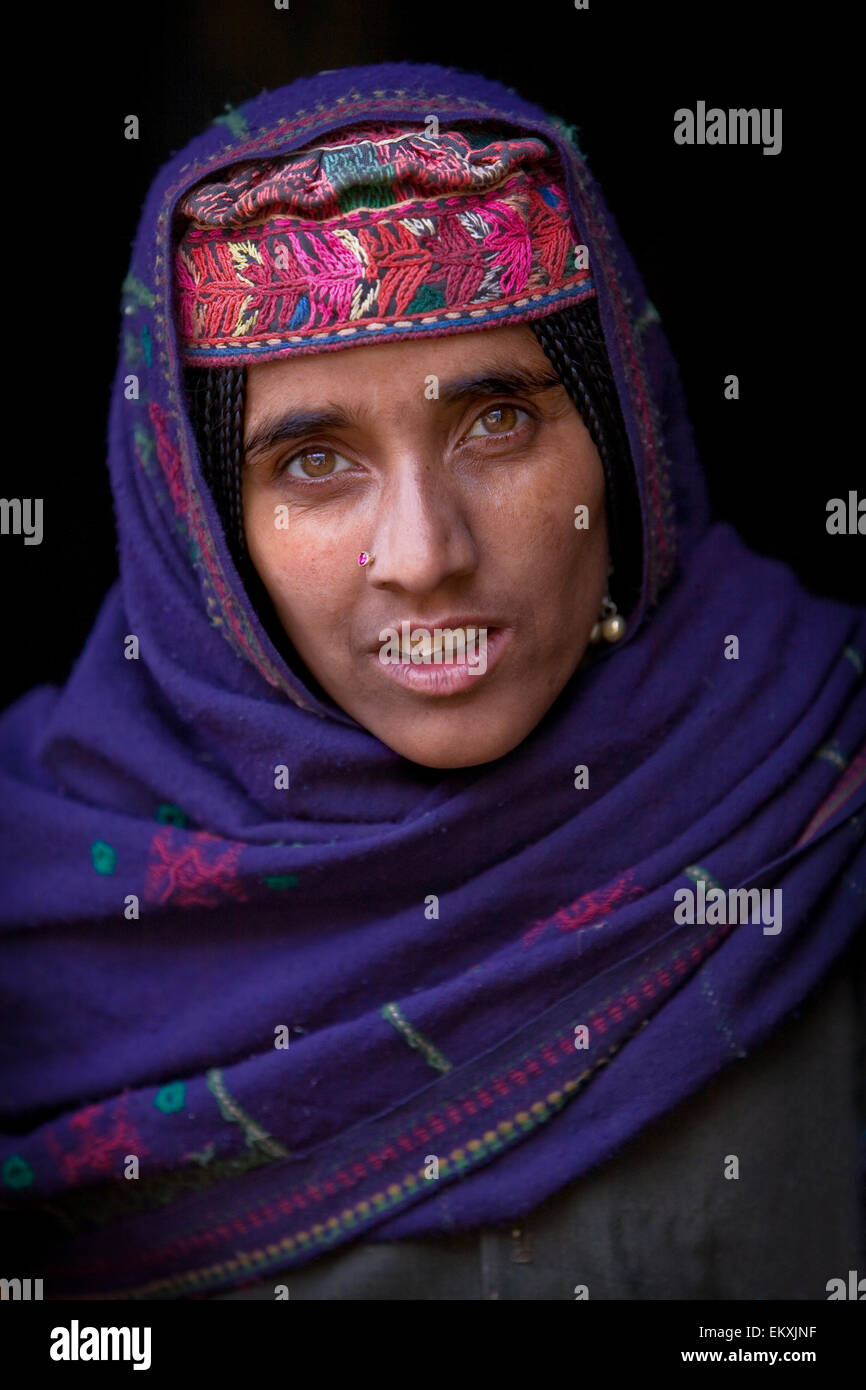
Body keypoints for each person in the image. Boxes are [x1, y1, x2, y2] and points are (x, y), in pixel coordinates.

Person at [0, 62, 863, 1302]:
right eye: (310, 461)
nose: (423, 555)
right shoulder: (41, 921)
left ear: (619, 437)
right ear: (198, 527)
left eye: (497, 422)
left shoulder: (814, 785)